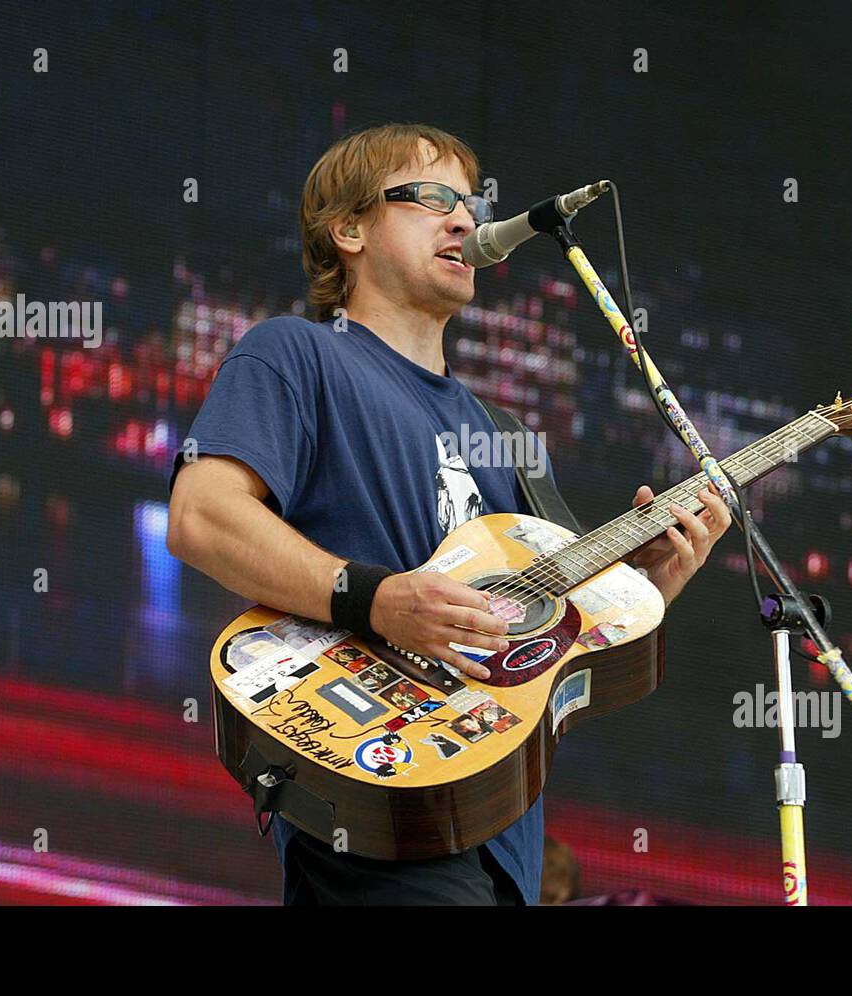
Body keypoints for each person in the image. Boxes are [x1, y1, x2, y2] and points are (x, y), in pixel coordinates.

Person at [166, 122, 731, 905]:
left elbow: (544, 651)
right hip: (377, 804)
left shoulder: (511, 440)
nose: (465, 220)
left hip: (501, 837)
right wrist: (377, 599)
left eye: (471, 204)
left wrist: (649, 588)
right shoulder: (295, 353)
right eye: (433, 198)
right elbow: (201, 515)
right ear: (350, 228)